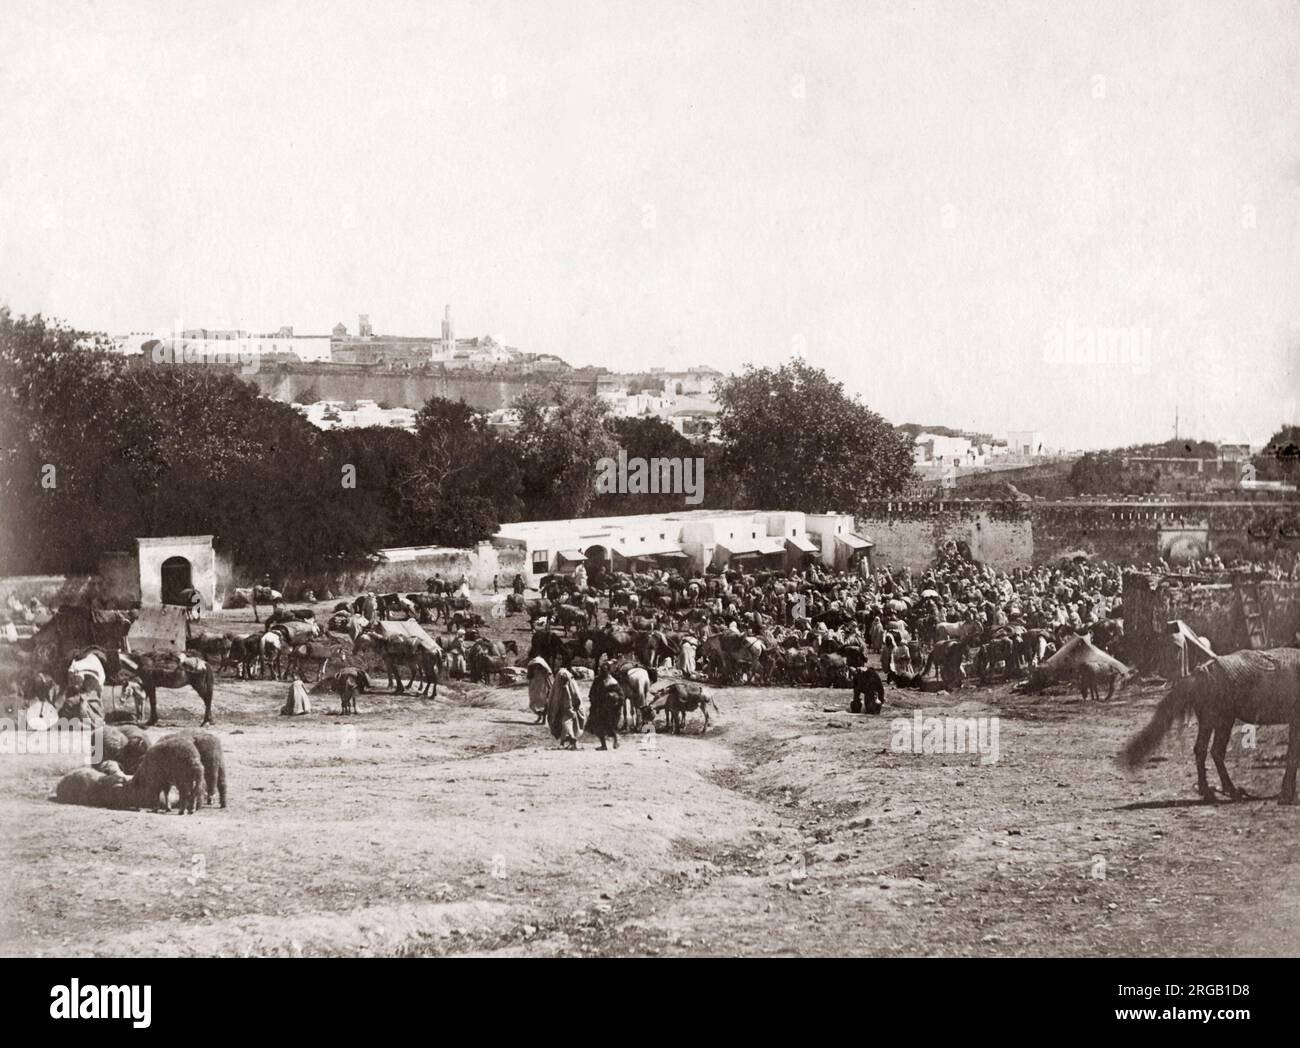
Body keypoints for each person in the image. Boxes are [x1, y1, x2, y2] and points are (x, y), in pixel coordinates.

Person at [546, 668, 585, 749]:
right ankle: (563, 743)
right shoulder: (571, 684)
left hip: (566, 707)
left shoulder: (562, 687)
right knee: (565, 722)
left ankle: (571, 738)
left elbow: (560, 698)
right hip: (570, 707)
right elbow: (575, 696)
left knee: (565, 722)